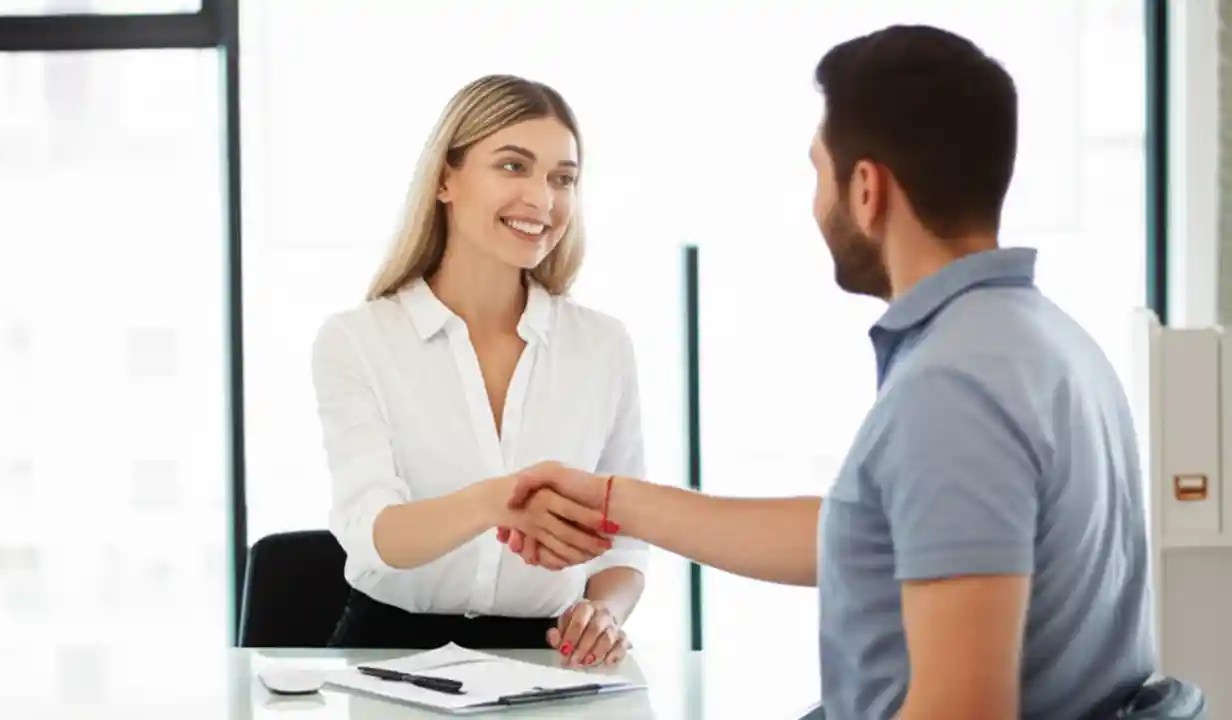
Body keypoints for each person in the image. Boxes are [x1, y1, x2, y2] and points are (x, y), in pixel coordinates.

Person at [499, 25, 1155, 719]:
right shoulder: (1042, 340)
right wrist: (613, 500)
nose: (816, 205)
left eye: (820, 173)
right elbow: (871, 531)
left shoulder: (955, 390)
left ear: (866, 188)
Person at [311, 74, 645, 663]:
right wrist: (497, 502)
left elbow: (625, 542)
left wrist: (603, 612)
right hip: (388, 654)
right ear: (445, 179)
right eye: (513, 166)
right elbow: (371, 534)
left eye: (562, 178)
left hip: (545, 656)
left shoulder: (602, 345)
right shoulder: (357, 340)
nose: (542, 199)